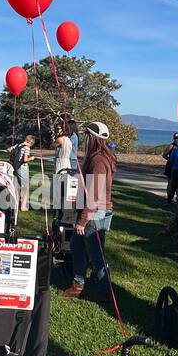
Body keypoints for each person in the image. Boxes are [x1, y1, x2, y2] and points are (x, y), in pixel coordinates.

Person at [62, 121, 116, 299]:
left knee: (96, 255)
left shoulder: (98, 160)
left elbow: (94, 192)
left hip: (95, 213)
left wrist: (83, 219)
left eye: (87, 135)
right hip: (98, 210)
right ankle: (79, 283)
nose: (85, 138)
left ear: (92, 137)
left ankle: (104, 292)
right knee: (77, 246)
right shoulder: (100, 157)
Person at [9, 134, 35, 211]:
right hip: (22, 168)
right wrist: (32, 158)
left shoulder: (18, 145)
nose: (31, 146)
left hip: (15, 167)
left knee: (17, 186)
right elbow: (25, 159)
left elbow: (8, 149)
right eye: (32, 144)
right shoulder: (26, 148)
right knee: (26, 187)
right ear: (30, 142)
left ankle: (16, 204)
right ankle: (23, 206)